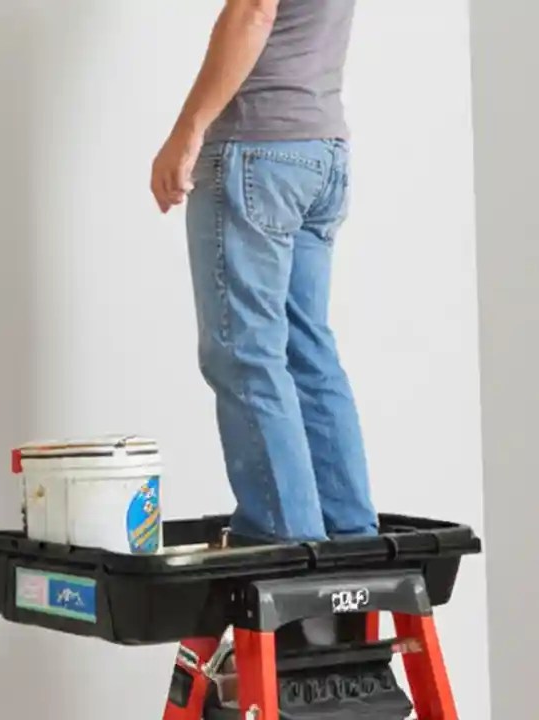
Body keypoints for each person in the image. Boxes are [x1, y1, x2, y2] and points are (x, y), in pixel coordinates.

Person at [151, 0, 376, 545]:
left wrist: (189, 128)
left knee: (245, 352)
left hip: (259, 148)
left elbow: (255, 9)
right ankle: (352, 542)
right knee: (306, 352)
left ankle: (286, 545)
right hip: (321, 150)